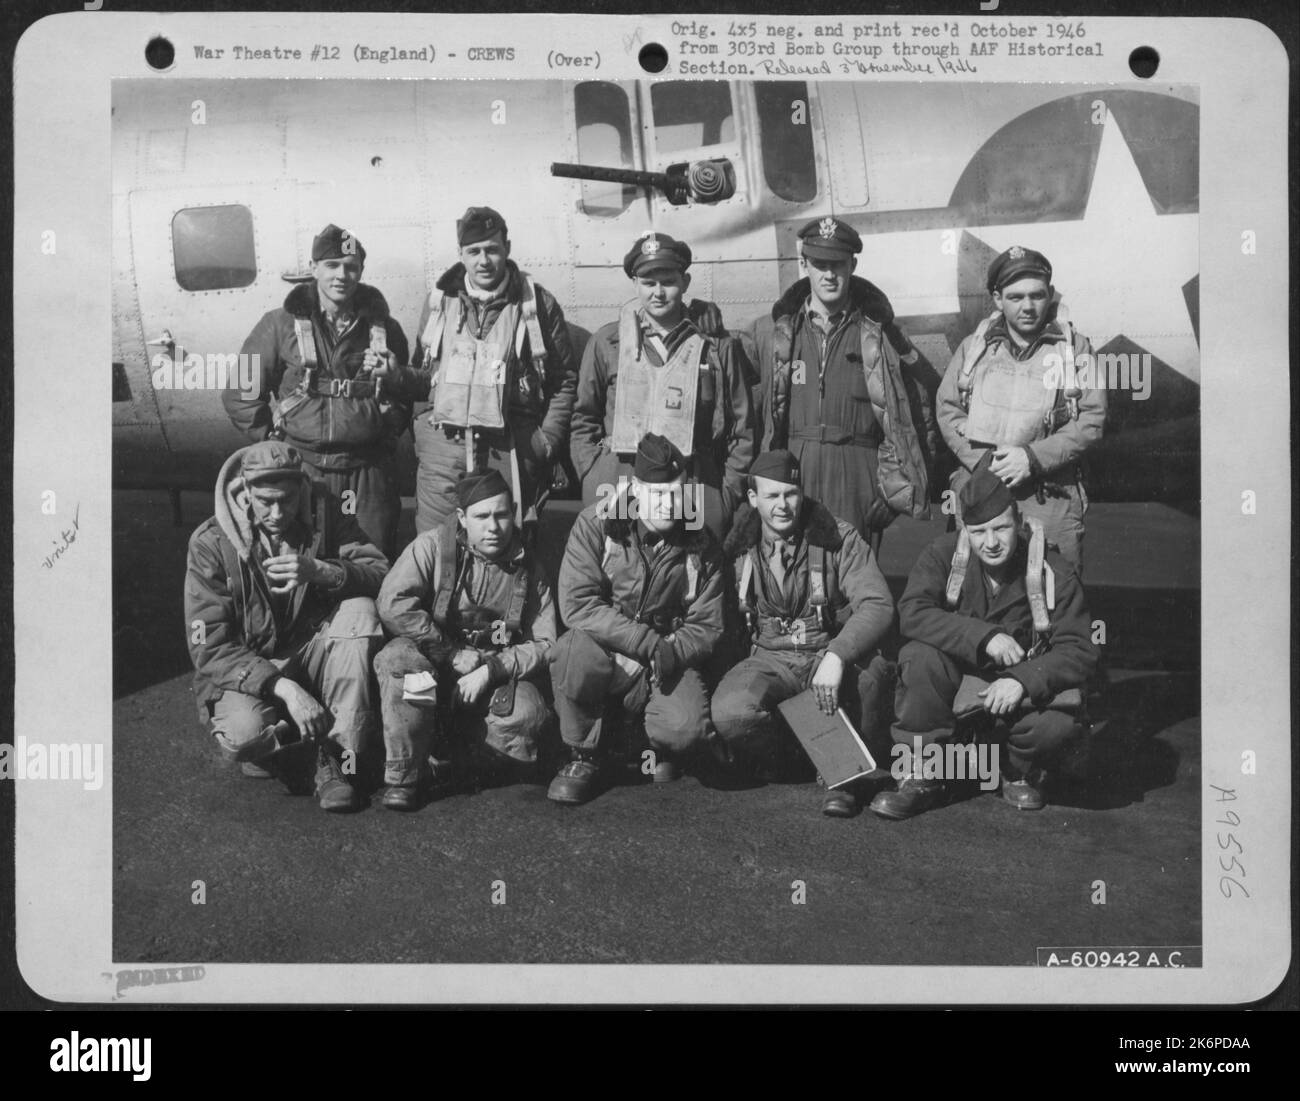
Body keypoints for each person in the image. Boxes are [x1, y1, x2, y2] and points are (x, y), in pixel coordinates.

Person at [869, 453, 1097, 819]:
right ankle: (923, 772)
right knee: (919, 655)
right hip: (957, 689)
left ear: (1018, 522)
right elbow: (912, 612)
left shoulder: (1051, 569)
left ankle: (1014, 768)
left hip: (1015, 697)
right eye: (978, 533)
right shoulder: (942, 556)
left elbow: (1080, 648)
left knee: (1059, 726)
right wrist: (984, 635)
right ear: (964, 531)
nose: (990, 542)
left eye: (1000, 528)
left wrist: (1023, 681)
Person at [184, 440, 389, 813]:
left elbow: (379, 574)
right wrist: (287, 689)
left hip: (311, 650)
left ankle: (338, 754)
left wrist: (322, 571)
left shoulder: (327, 511)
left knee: (360, 611)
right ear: (245, 493)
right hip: (252, 665)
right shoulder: (210, 543)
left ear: (302, 489)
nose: (277, 512)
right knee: (243, 736)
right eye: (266, 501)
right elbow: (208, 646)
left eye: (288, 500)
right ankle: (307, 747)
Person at [711, 450, 896, 817]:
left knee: (871, 679)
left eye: (791, 494)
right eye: (772, 496)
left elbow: (878, 604)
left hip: (824, 652)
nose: (783, 505)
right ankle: (803, 756)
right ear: (752, 499)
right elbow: (720, 620)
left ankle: (844, 775)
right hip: (770, 657)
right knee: (731, 712)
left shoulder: (837, 538)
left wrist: (838, 654)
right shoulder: (737, 549)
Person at [547, 433, 727, 805]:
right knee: (571, 653)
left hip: (665, 655)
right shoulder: (596, 524)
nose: (667, 503)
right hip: (607, 648)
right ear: (634, 489)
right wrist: (643, 644)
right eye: (656, 493)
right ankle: (582, 754)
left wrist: (671, 652)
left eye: (676, 492)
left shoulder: (701, 541)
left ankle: (641, 742)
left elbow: (707, 624)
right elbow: (578, 605)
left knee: (685, 727)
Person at [380, 206, 577, 534]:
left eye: (492, 250)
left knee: (509, 544)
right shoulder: (439, 304)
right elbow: (426, 378)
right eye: (473, 252)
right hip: (444, 451)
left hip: (511, 446)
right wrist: (396, 375)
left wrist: (546, 442)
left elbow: (564, 380)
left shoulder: (538, 306)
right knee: (437, 543)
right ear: (461, 254)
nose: (483, 261)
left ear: (507, 249)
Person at [372, 470, 557, 811]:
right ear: (462, 518)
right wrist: (450, 652)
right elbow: (392, 604)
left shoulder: (529, 566)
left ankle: (455, 755)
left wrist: (493, 668)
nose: (493, 527)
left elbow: (546, 642)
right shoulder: (431, 547)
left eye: (502, 515)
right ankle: (405, 776)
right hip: (431, 661)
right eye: (482, 516)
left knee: (527, 714)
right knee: (401, 665)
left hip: (485, 675)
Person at [225, 224, 410, 560]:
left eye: (351, 267)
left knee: (369, 564)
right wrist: (274, 446)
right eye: (332, 265)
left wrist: (385, 429)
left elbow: (401, 397)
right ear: (314, 269)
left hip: (365, 475)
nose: (342, 275)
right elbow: (241, 391)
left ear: (361, 271)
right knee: (302, 564)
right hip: (303, 470)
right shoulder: (277, 325)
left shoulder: (386, 331)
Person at [750, 215, 932, 545]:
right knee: (792, 578)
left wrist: (894, 488)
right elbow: (736, 395)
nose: (829, 274)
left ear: (853, 265)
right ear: (804, 264)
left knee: (853, 583)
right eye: (820, 264)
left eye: (838, 264)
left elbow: (914, 416)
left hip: (857, 476)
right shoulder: (773, 334)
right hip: (794, 473)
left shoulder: (880, 336)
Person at [569, 232, 754, 539]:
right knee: (621, 567)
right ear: (635, 284)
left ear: (685, 282)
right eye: (648, 283)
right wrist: (593, 472)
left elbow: (743, 429)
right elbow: (583, 416)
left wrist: (725, 492)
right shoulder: (607, 342)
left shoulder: (717, 347)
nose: (658, 292)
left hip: (693, 482)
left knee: (695, 575)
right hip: (621, 479)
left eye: (667, 281)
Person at [936, 245, 1105, 573]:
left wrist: (1031, 458)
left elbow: (1091, 418)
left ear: (1051, 294)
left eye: (1037, 295)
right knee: (980, 597)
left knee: (1056, 596)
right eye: (1015, 297)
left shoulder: (1075, 348)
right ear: (998, 299)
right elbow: (948, 410)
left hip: (1049, 496)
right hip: (983, 489)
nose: (1028, 306)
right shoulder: (974, 349)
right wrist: (989, 463)